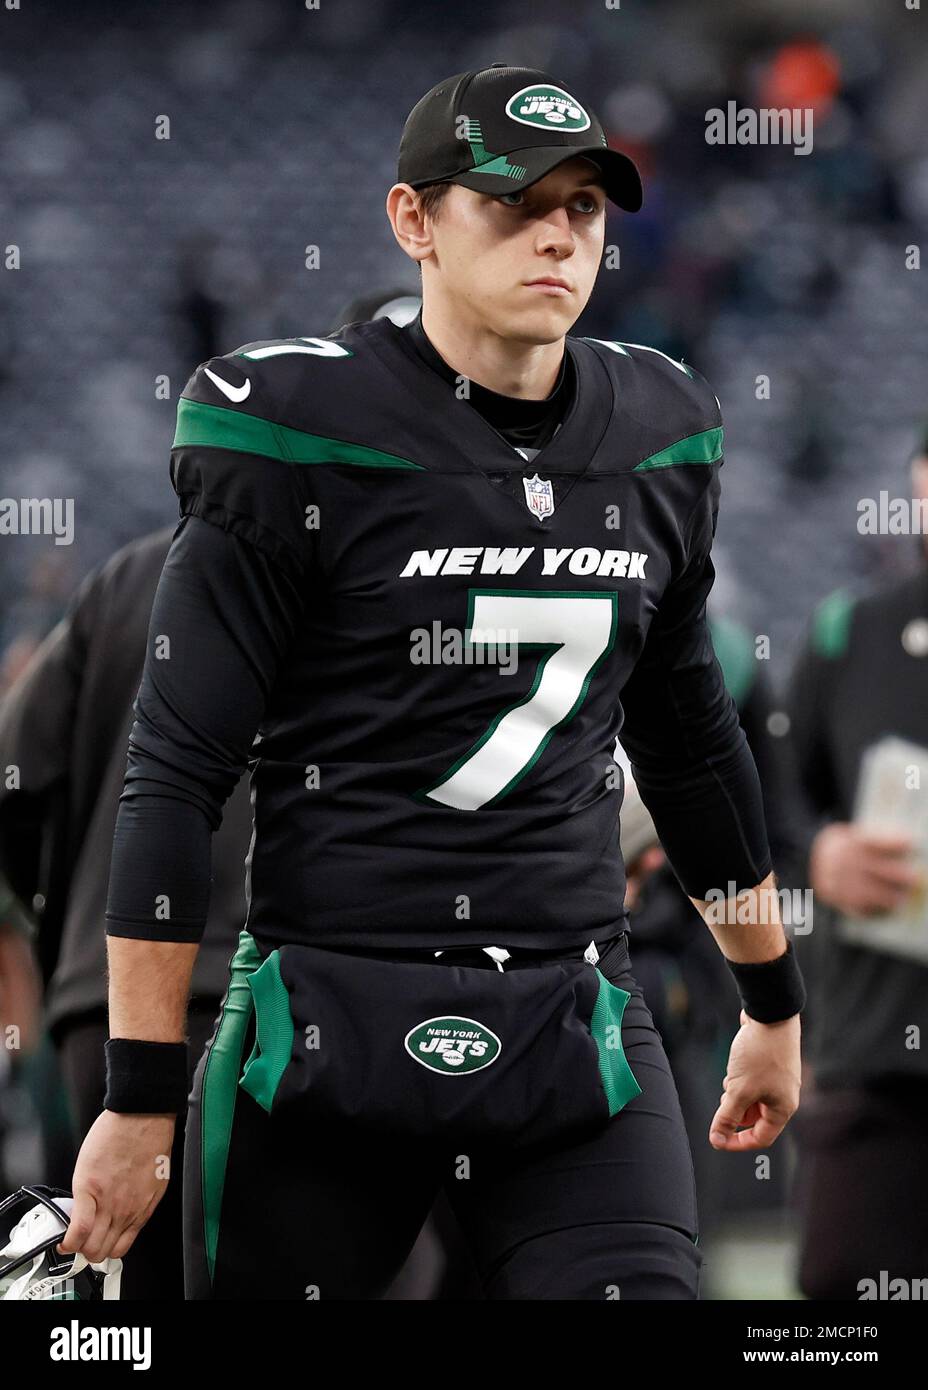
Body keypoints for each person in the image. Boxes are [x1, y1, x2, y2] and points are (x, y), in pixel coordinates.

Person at [60, 63, 803, 1300]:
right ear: (413, 222)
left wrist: (769, 999)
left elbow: (689, 741)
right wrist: (139, 1096)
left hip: (573, 1026)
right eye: (515, 203)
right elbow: (174, 774)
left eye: (583, 205)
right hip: (324, 1031)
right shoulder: (295, 425)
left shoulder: (658, 430)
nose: (558, 232)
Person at [785, 436, 928, 1299]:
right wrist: (821, 854)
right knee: (841, 1308)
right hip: (880, 1059)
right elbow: (769, 810)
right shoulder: (855, 632)